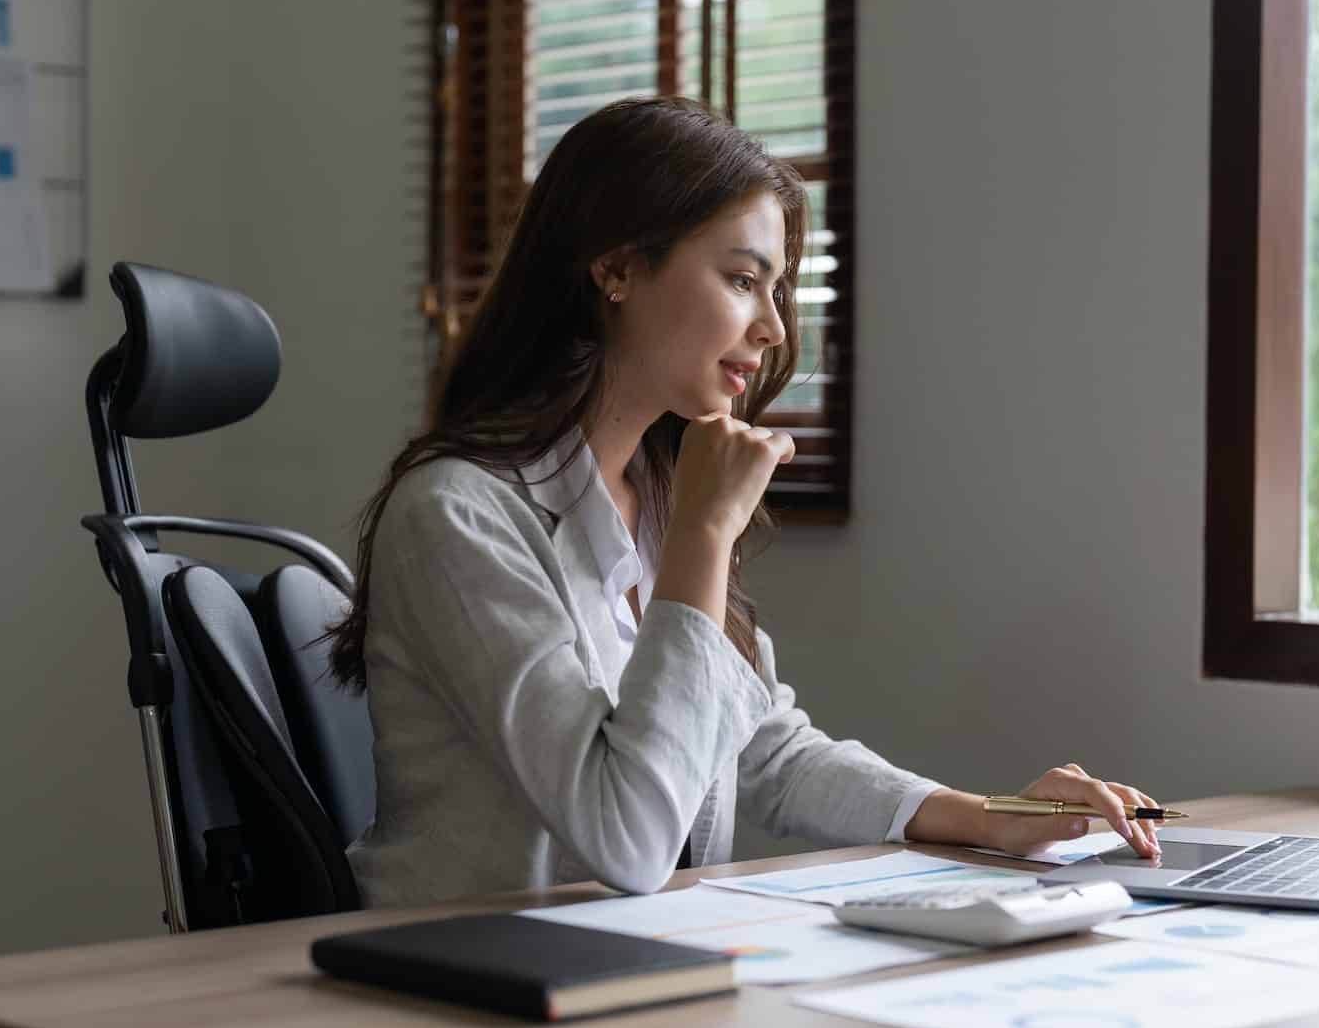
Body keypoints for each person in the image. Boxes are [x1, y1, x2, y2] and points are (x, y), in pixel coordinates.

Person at [327, 96, 1163, 906]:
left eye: (776, 290)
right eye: (742, 279)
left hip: (630, 977)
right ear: (615, 267)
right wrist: (703, 535)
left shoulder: (659, 498)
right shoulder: (457, 515)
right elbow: (626, 840)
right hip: (458, 993)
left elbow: (765, 748)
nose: (770, 327)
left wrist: (989, 817)